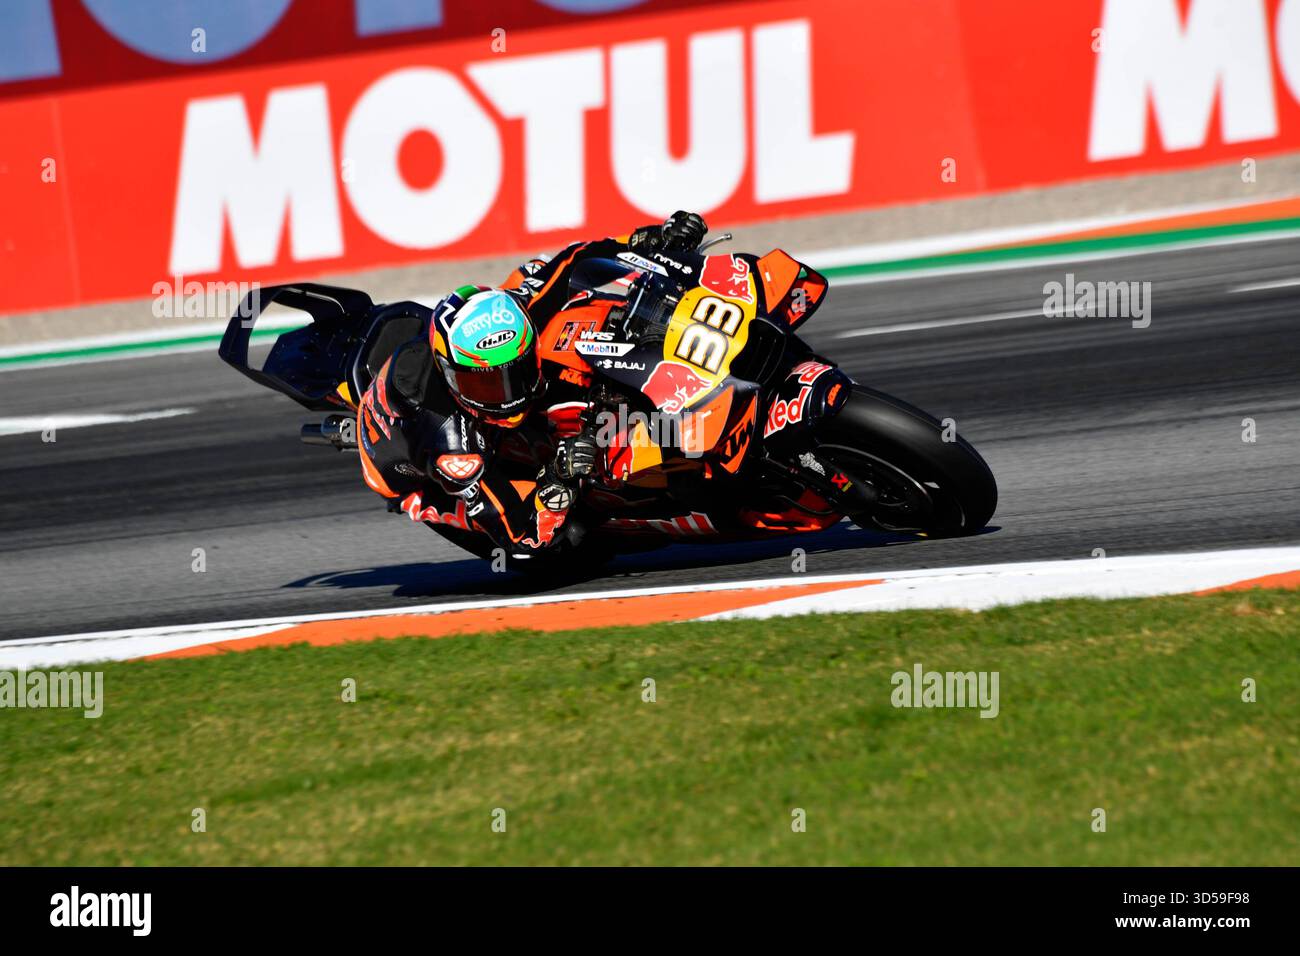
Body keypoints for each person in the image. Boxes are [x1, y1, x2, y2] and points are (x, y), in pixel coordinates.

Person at [355, 211, 708, 561]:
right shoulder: (454, 449)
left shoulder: (522, 310)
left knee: (537, 273)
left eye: (518, 371)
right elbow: (521, 537)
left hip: (463, 392)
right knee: (566, 538)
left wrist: (647, 242)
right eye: (489, 384)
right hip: (417, 471)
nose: (509, 393)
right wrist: (558, 478)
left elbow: (576, 259)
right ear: (453, 378)